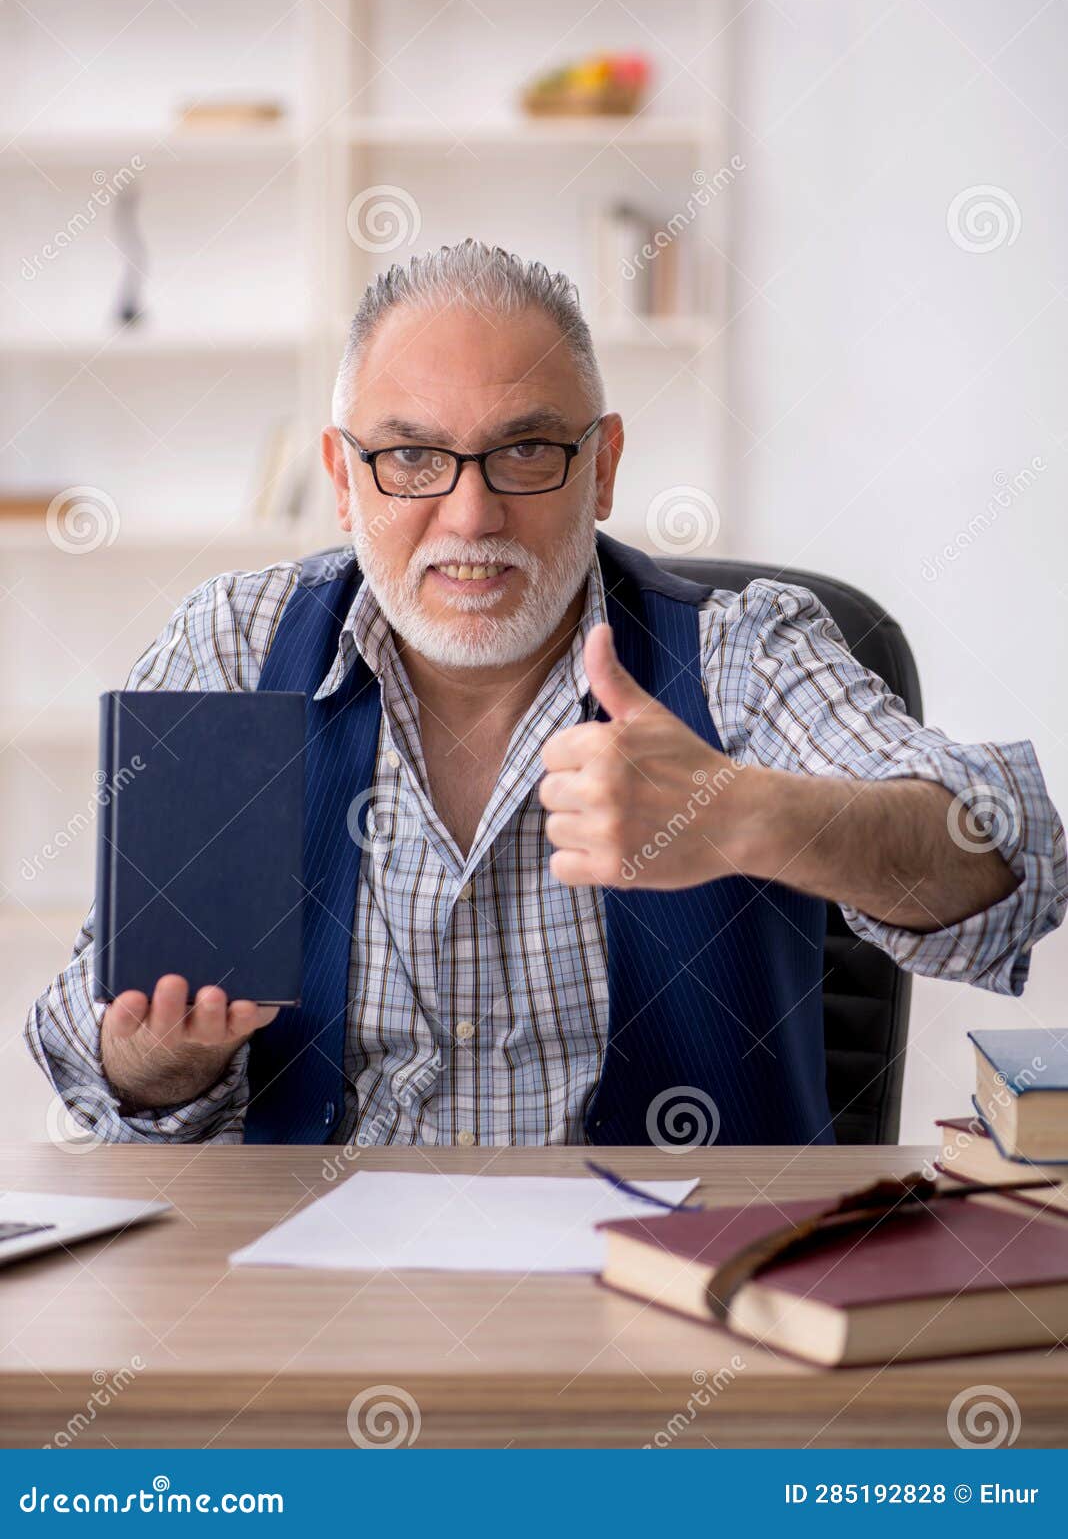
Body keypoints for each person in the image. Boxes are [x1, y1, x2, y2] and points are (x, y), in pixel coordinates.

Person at [25, 241, 1066, 1147]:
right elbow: (89, 1051)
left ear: (602, 466)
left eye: (524, 450)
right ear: (343, 480)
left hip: (685, 1296)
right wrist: (160, 1050)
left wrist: (751, 811)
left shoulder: (744, 649)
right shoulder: (235, 645)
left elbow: (1014, 859)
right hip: (312, 1302)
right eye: (412, 456)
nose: (470, 514)